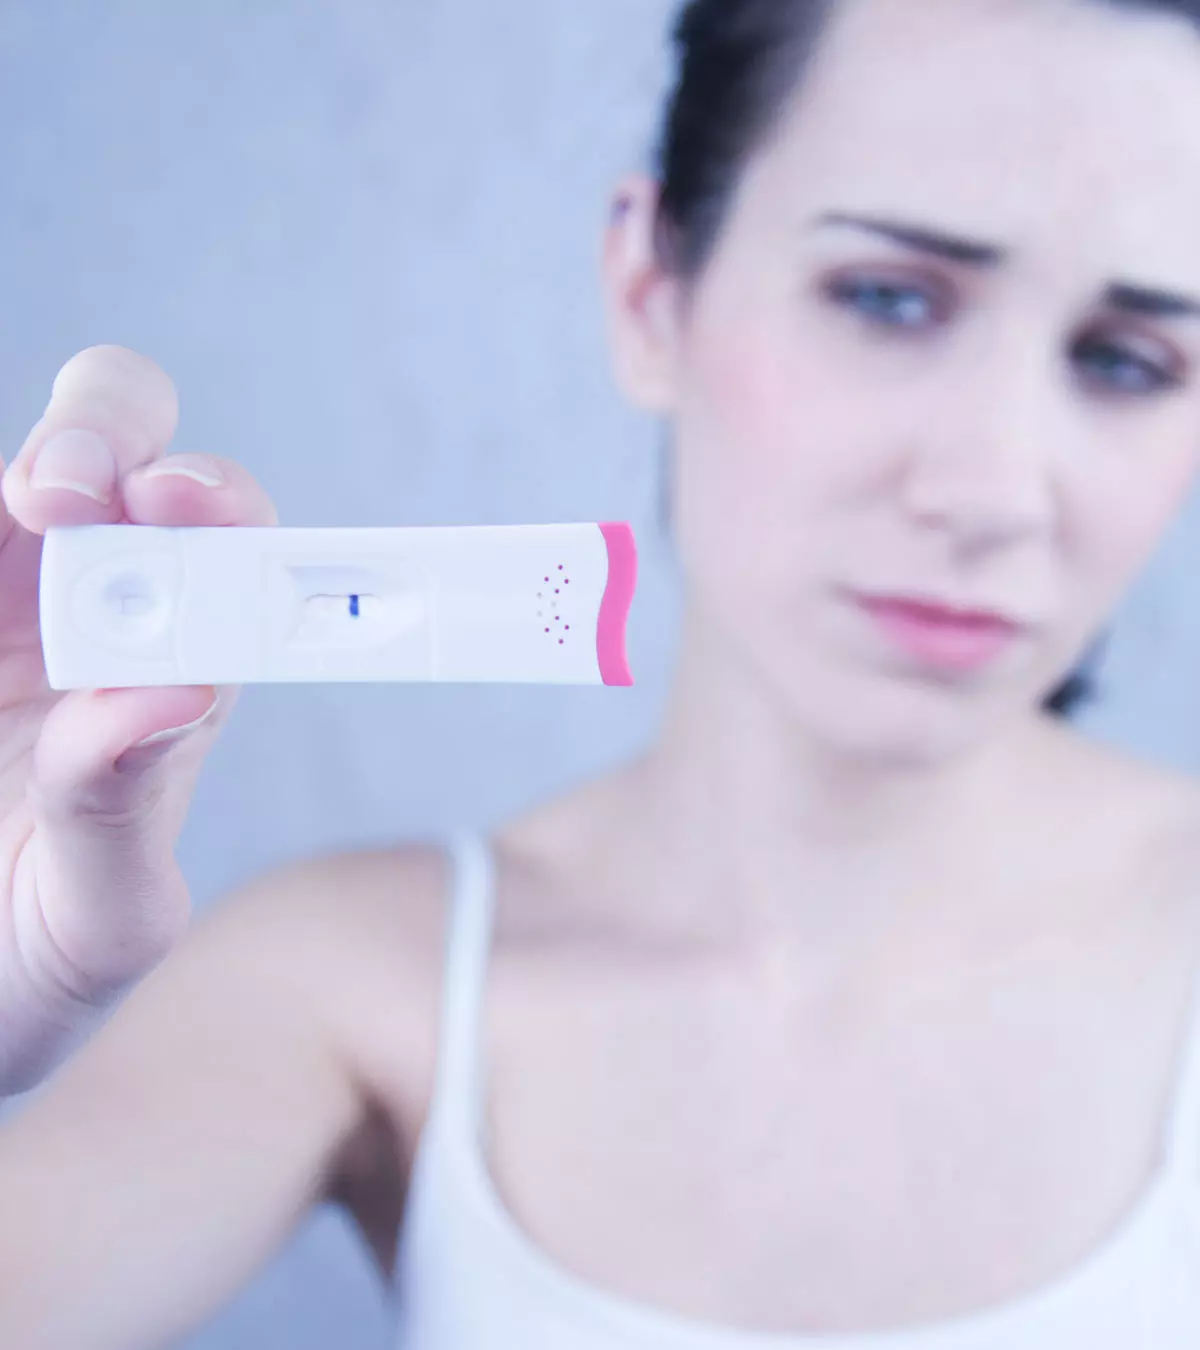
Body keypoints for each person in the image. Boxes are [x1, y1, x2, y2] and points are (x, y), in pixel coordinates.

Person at [6, 0, 1200, 1343]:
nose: (992, 490)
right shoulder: (351, 984)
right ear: (650, 293)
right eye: (886, 297)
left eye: (1128, 360)